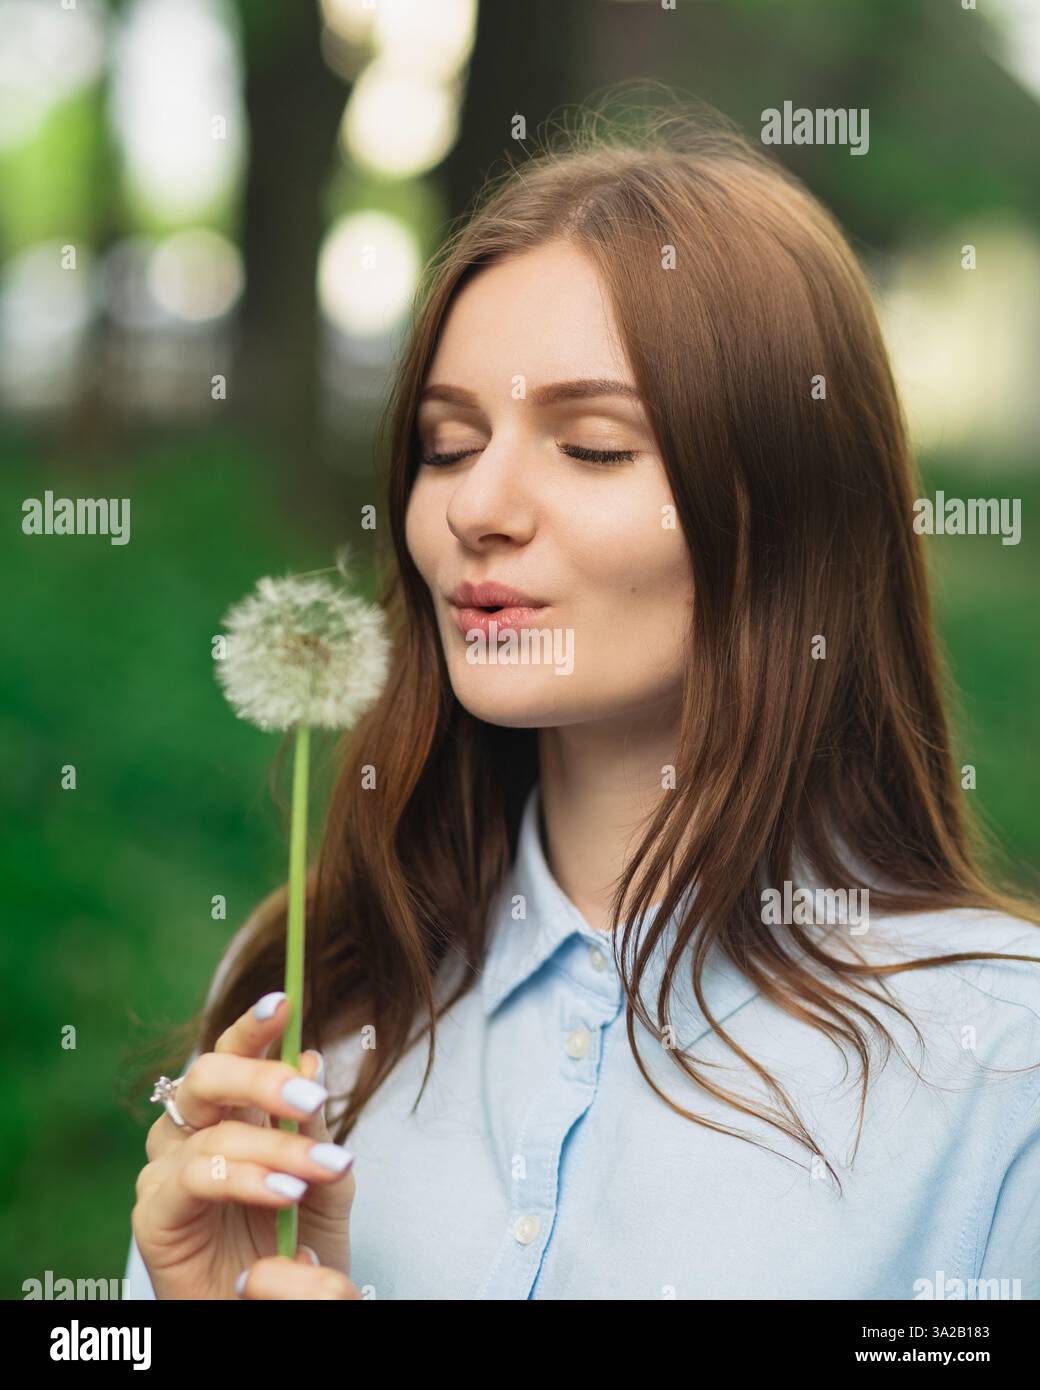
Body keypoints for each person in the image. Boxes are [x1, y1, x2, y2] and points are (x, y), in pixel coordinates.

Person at [125, 98, 1040, 1301]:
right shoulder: (316, 983)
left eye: (593, 446)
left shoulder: (1000, 1063)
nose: (474, 507)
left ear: (791, 505)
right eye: (448, 446)